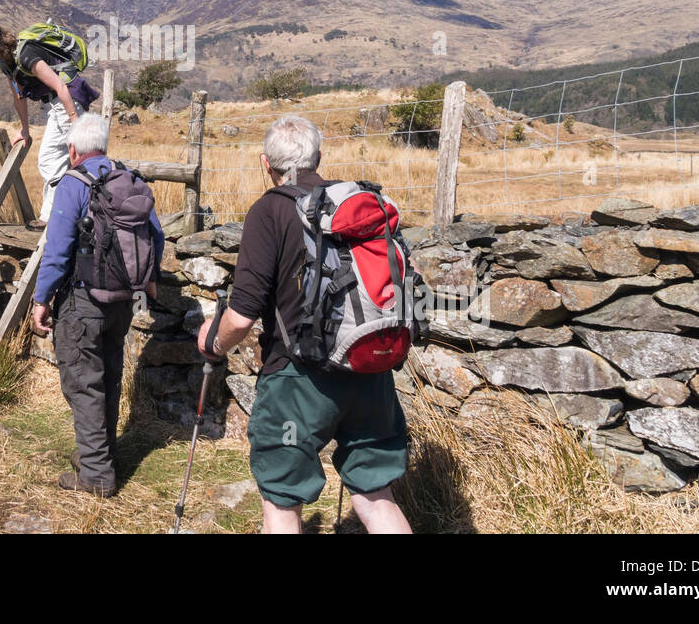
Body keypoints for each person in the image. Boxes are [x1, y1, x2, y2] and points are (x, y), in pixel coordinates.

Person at [196, 116, 412, 535]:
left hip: (298, 381)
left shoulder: (270, 210)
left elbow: (240, 317)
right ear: (319, 158)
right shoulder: (355, 204)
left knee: (282, 502)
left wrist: (213, 344)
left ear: (265, 163)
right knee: (376, 497)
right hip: (368, 370)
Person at [30, 113, 164, 497]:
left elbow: (57, 249)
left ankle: (96, 477)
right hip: (123, 300)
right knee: (107, 376)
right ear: (103, 145)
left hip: (82, 300)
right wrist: (144, 282)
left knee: (83, 384)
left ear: (72, 149)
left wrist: (41, 299)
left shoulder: (74, 183)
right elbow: (156, 235)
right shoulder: (128, 179)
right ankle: (98, 456)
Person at [0, 22, 98, 222]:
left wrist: (75, 122)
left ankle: (52, 220)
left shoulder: (25, 54)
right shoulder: (6, 63)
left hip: (67, 102)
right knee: (63, 161)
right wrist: (24, 130)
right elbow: (19, 97)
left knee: (50, 161)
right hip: (54, 107)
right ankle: (68, 215)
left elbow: (61, 86)